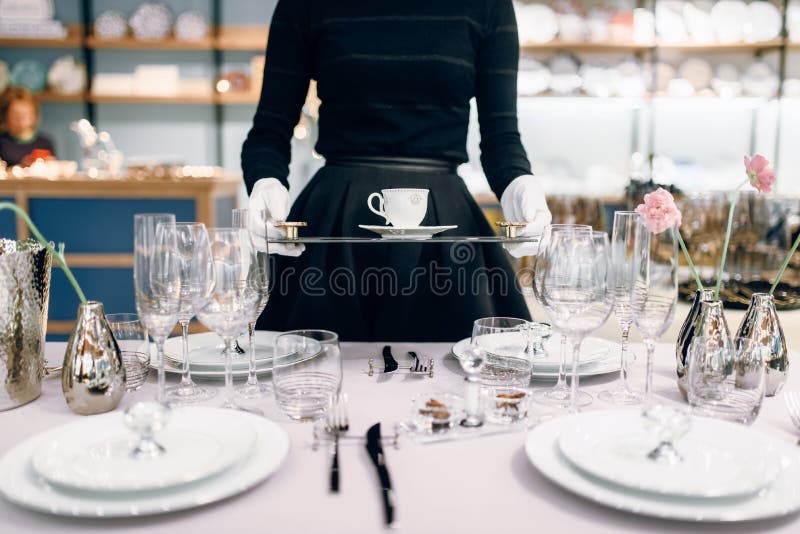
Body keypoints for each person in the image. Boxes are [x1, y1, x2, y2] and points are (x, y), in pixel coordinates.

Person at [242, 0, 551, 341]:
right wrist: (266, 182)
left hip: (442, 229)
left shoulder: (487, 6)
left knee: (462, 378)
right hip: (337, 222)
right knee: (313, 376)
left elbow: (501, 138)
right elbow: (269, 131)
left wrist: (521, 186)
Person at [0, 87, 56, 167]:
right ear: (5, 116)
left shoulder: (45, 143)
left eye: (26, 115)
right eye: (16, 116)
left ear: (34, 115)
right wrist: (20, 167)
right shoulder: (2, 142)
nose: (22, 122)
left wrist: (52, 165)